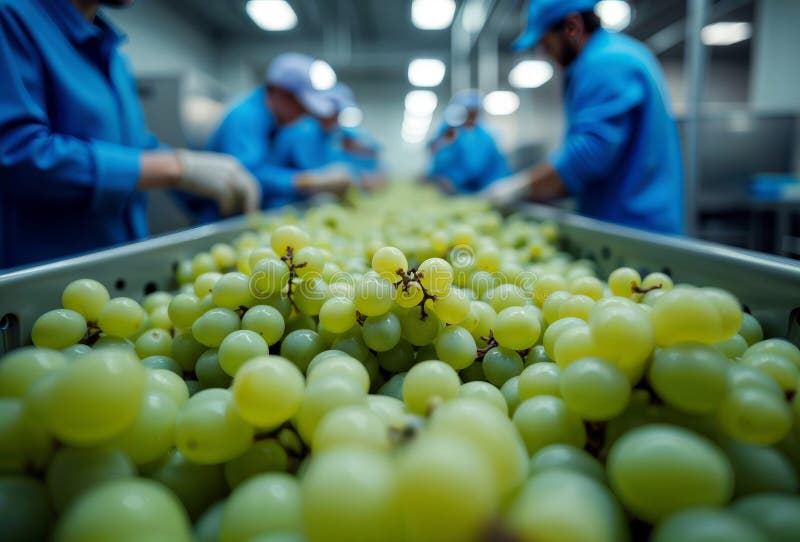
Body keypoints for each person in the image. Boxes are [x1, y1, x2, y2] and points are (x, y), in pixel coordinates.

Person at [0, 0, 260, 269]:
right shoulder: (10, 18)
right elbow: (16, 154)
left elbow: (135, 146)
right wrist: (176, 168)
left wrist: (205, 180)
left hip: (118, 270)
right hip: (42, 282)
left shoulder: (114, 55)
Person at [483, 0, 684, 234]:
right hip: (630, 221)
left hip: (632, 226)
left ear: (572, 26)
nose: (544, 54)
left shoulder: (605, 62)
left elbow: (590, 154)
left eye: (546, 43)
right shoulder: (619, 53)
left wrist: (520, 187)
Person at [206, 53, 354, 212]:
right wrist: (308, 181)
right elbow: (246, 177)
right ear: (280, 93)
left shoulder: (277, 125)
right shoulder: (245, 117)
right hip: (221, 216)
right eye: (301, 105)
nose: (304, 114)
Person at [427, 90, 510, 194]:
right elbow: (438, 160)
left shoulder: (487, 137)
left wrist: (496, 186)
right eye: (468, 112)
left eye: (474, 112)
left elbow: (498, 167)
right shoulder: (449, 132)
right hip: (452, 191)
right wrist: (439, 178)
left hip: (485, 190)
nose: (471, 116)